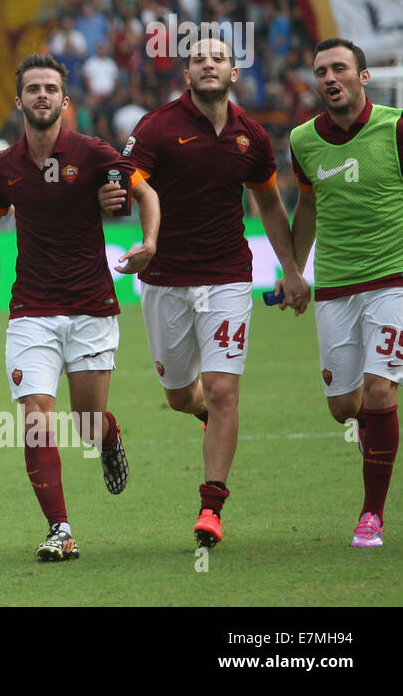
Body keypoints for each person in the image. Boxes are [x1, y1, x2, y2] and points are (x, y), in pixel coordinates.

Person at [0, 55, 161, 562]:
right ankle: (59, 529)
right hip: (31, 310)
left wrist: (149, 242)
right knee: (37, 418)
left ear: (65, 102)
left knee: (88, 422)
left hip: (91, 305)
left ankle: (108, 439)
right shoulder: (4, 166)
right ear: (19, 100)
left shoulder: (92, 152)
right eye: (33, 89)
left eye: (50, 88)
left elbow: (144, 193)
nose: (41, 95)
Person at [122, 38, 310, 548]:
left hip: (228, 276)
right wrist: (142, 232)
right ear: (186, 74)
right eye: (198, 58)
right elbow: (129, 186)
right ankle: (204, 413)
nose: (208, 63)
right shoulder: (156, 128)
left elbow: (270, 204)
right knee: (181, 394)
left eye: (218, 57)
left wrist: (291, 270)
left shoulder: (252, 136)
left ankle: (212, 507)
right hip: (165, 280)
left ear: (233, 71)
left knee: (225, 390)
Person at [290, 38, 403, 549]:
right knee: (345, 407)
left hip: (392, 280)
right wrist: (293, 270)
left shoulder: (396, 127)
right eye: (320, 71)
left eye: (339, 69)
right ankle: (378, 432)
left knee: (380, 392)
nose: (329, 78)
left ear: (363, 77)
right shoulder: (302, 141)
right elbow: (307, 209)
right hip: (335, 285)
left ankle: (370, 516)